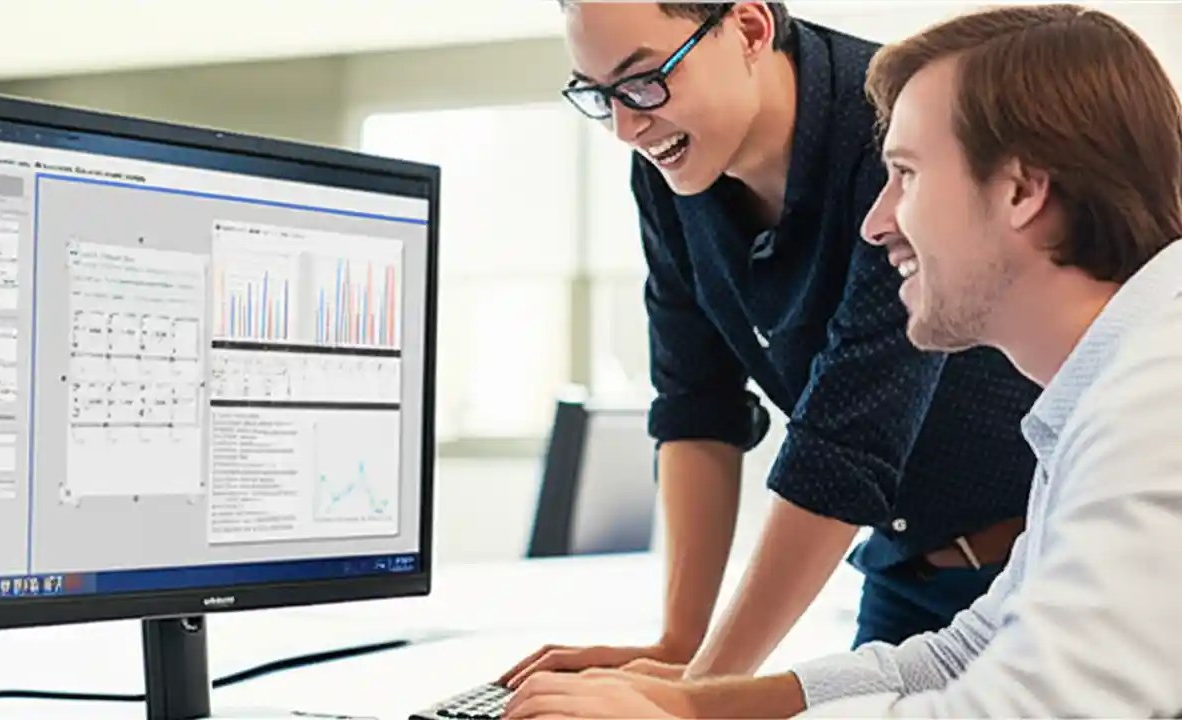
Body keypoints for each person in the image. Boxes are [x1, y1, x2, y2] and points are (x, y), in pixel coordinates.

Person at [501, 3, 1182, 717]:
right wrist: (695, 697)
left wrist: (694, 697)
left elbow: (1013, 708)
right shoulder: (1095, 404)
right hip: (916, 559)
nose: (876, 223)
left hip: (990, 532)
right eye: (598, 95)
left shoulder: (1149, 415)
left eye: (906, 175)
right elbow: (956, 656)